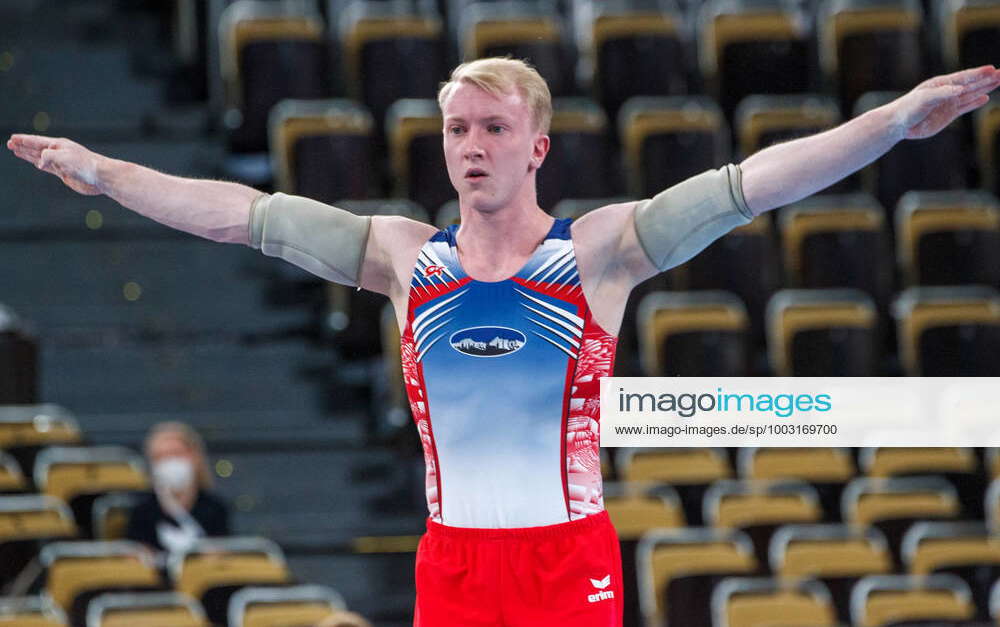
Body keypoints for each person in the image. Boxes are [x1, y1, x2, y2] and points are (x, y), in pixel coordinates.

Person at [7, 58, 999, 626]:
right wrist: (108, 174)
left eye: (491, 127)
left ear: (536, 146)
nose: (469, 146)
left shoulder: (602, 250)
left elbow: (753, 185)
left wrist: (891, 123)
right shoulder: (401, 257)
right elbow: (239, 213)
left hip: (568, 558)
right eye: (454, 129)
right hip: (453, 564)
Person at [125, 421, 229, 555]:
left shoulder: (215, 509)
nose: (170, 462)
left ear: (195, 457)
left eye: (176, 454)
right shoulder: (140, 512)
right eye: (160, 457)